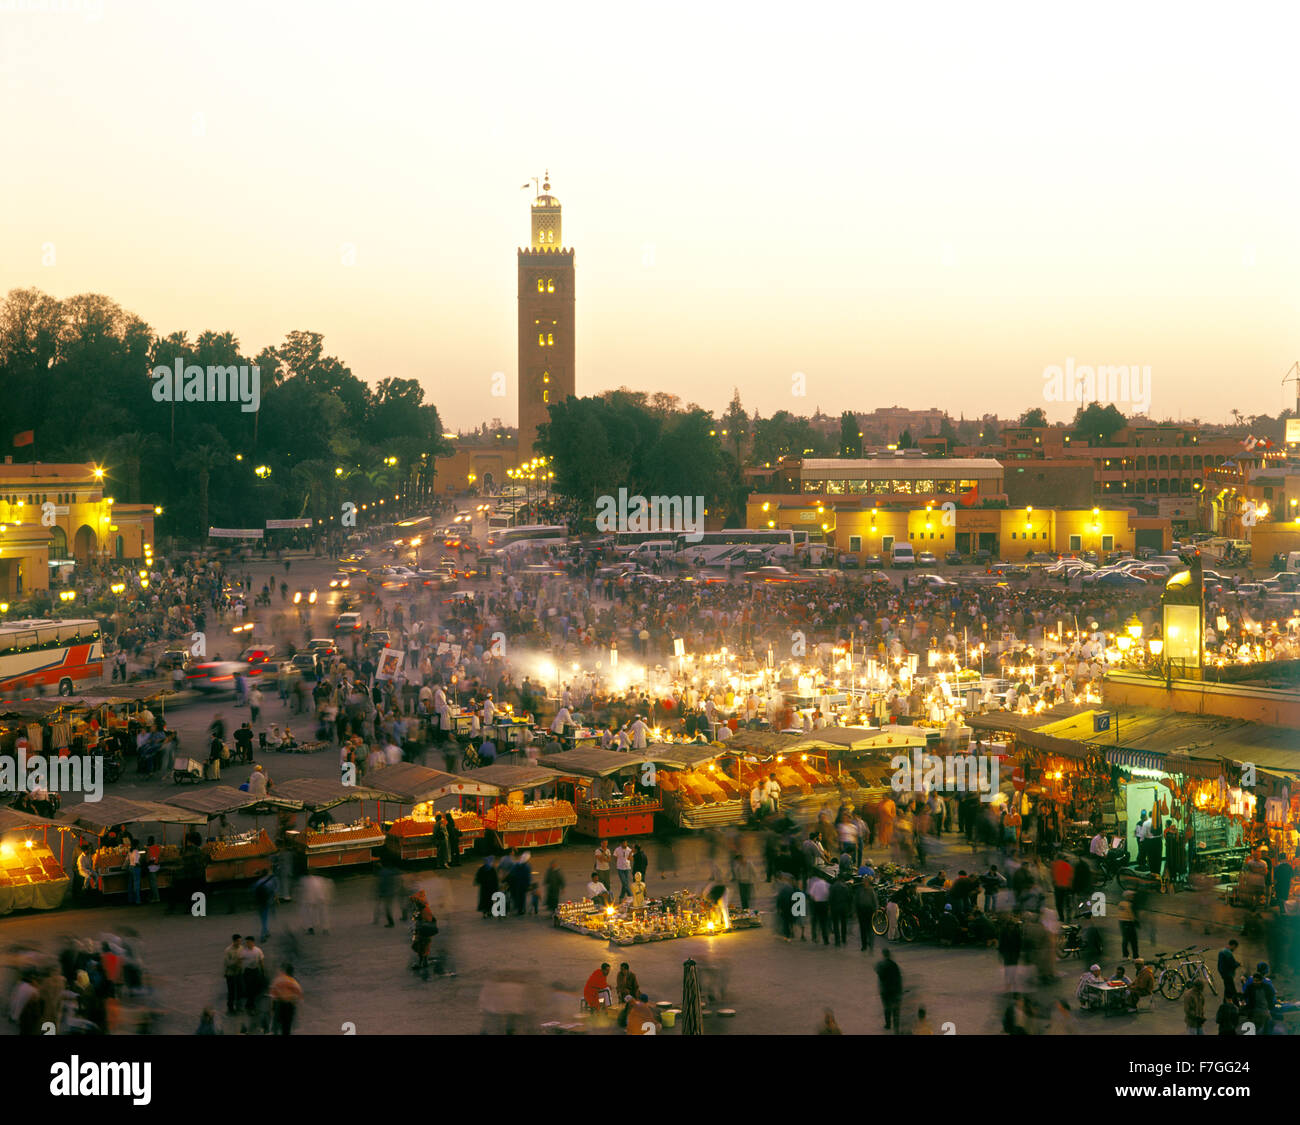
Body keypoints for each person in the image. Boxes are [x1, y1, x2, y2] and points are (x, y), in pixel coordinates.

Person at [268, 963, 302, 1035]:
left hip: (279, 1005)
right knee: (286, 1027)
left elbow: (272, 995)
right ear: (291, 972)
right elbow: (298, 996)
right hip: (289, 1006)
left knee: (276, 1024)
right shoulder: (294, 982)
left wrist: (272, 1007)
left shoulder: (278, 980)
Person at [875, 949, 903, 1033]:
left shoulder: (882, 965)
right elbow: (899, 978)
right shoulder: (894, 965)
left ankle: (888, 1024)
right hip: (895, 991)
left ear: (883, 955)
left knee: (887, 1008)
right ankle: (896, 1028)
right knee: (895, 1011)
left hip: (886, 991)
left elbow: (880, 975)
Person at [240, 936, 266, 1018]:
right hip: (248, 971)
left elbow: (261, 961)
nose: (247, 944)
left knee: (254, 987)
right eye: (246, 942)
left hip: (255, 970)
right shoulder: (244, 951)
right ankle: (251, 1005)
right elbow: (240, 960)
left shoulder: (258, 950)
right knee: (249, 987)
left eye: (249, 942)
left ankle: (249, 1003)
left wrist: (262, 970)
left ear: (253, 942)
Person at [854, 877, 879, 952]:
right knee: (862, 929)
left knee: (869, 928)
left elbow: (874, 900)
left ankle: (870, 943)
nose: (865, 883)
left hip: (869, 911)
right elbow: (856, 901)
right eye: (864, 881)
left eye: (866, 881)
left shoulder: (871, 890)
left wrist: (876, 910)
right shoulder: (859, 890)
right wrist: (855, 911)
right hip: (861, 911)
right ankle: (864, 945)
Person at [223, 934, 244, 1014]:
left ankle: (239, 1007)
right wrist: (236, 962)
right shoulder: (228, 950)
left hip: (239, 972)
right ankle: (230, 1008)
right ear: (234, 941)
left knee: (240, 990)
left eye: (240, 941)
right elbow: (227, 963)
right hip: (230, 974)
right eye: (238, 941)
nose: (239, 942)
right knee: (231, 991)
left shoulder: (241, 948)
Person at [1218, 939, 1242, 1003]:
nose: (1235, 949)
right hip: (1228, 974)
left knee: (1227, 989)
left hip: (1223, 973)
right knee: (1232, 990)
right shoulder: (1227, 953)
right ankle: (1236, 1004)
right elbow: (1232, 964)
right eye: (1235, 947)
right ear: (1233, 945)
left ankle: (1225, 1002)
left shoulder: (1223, 951)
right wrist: (1238, 964)